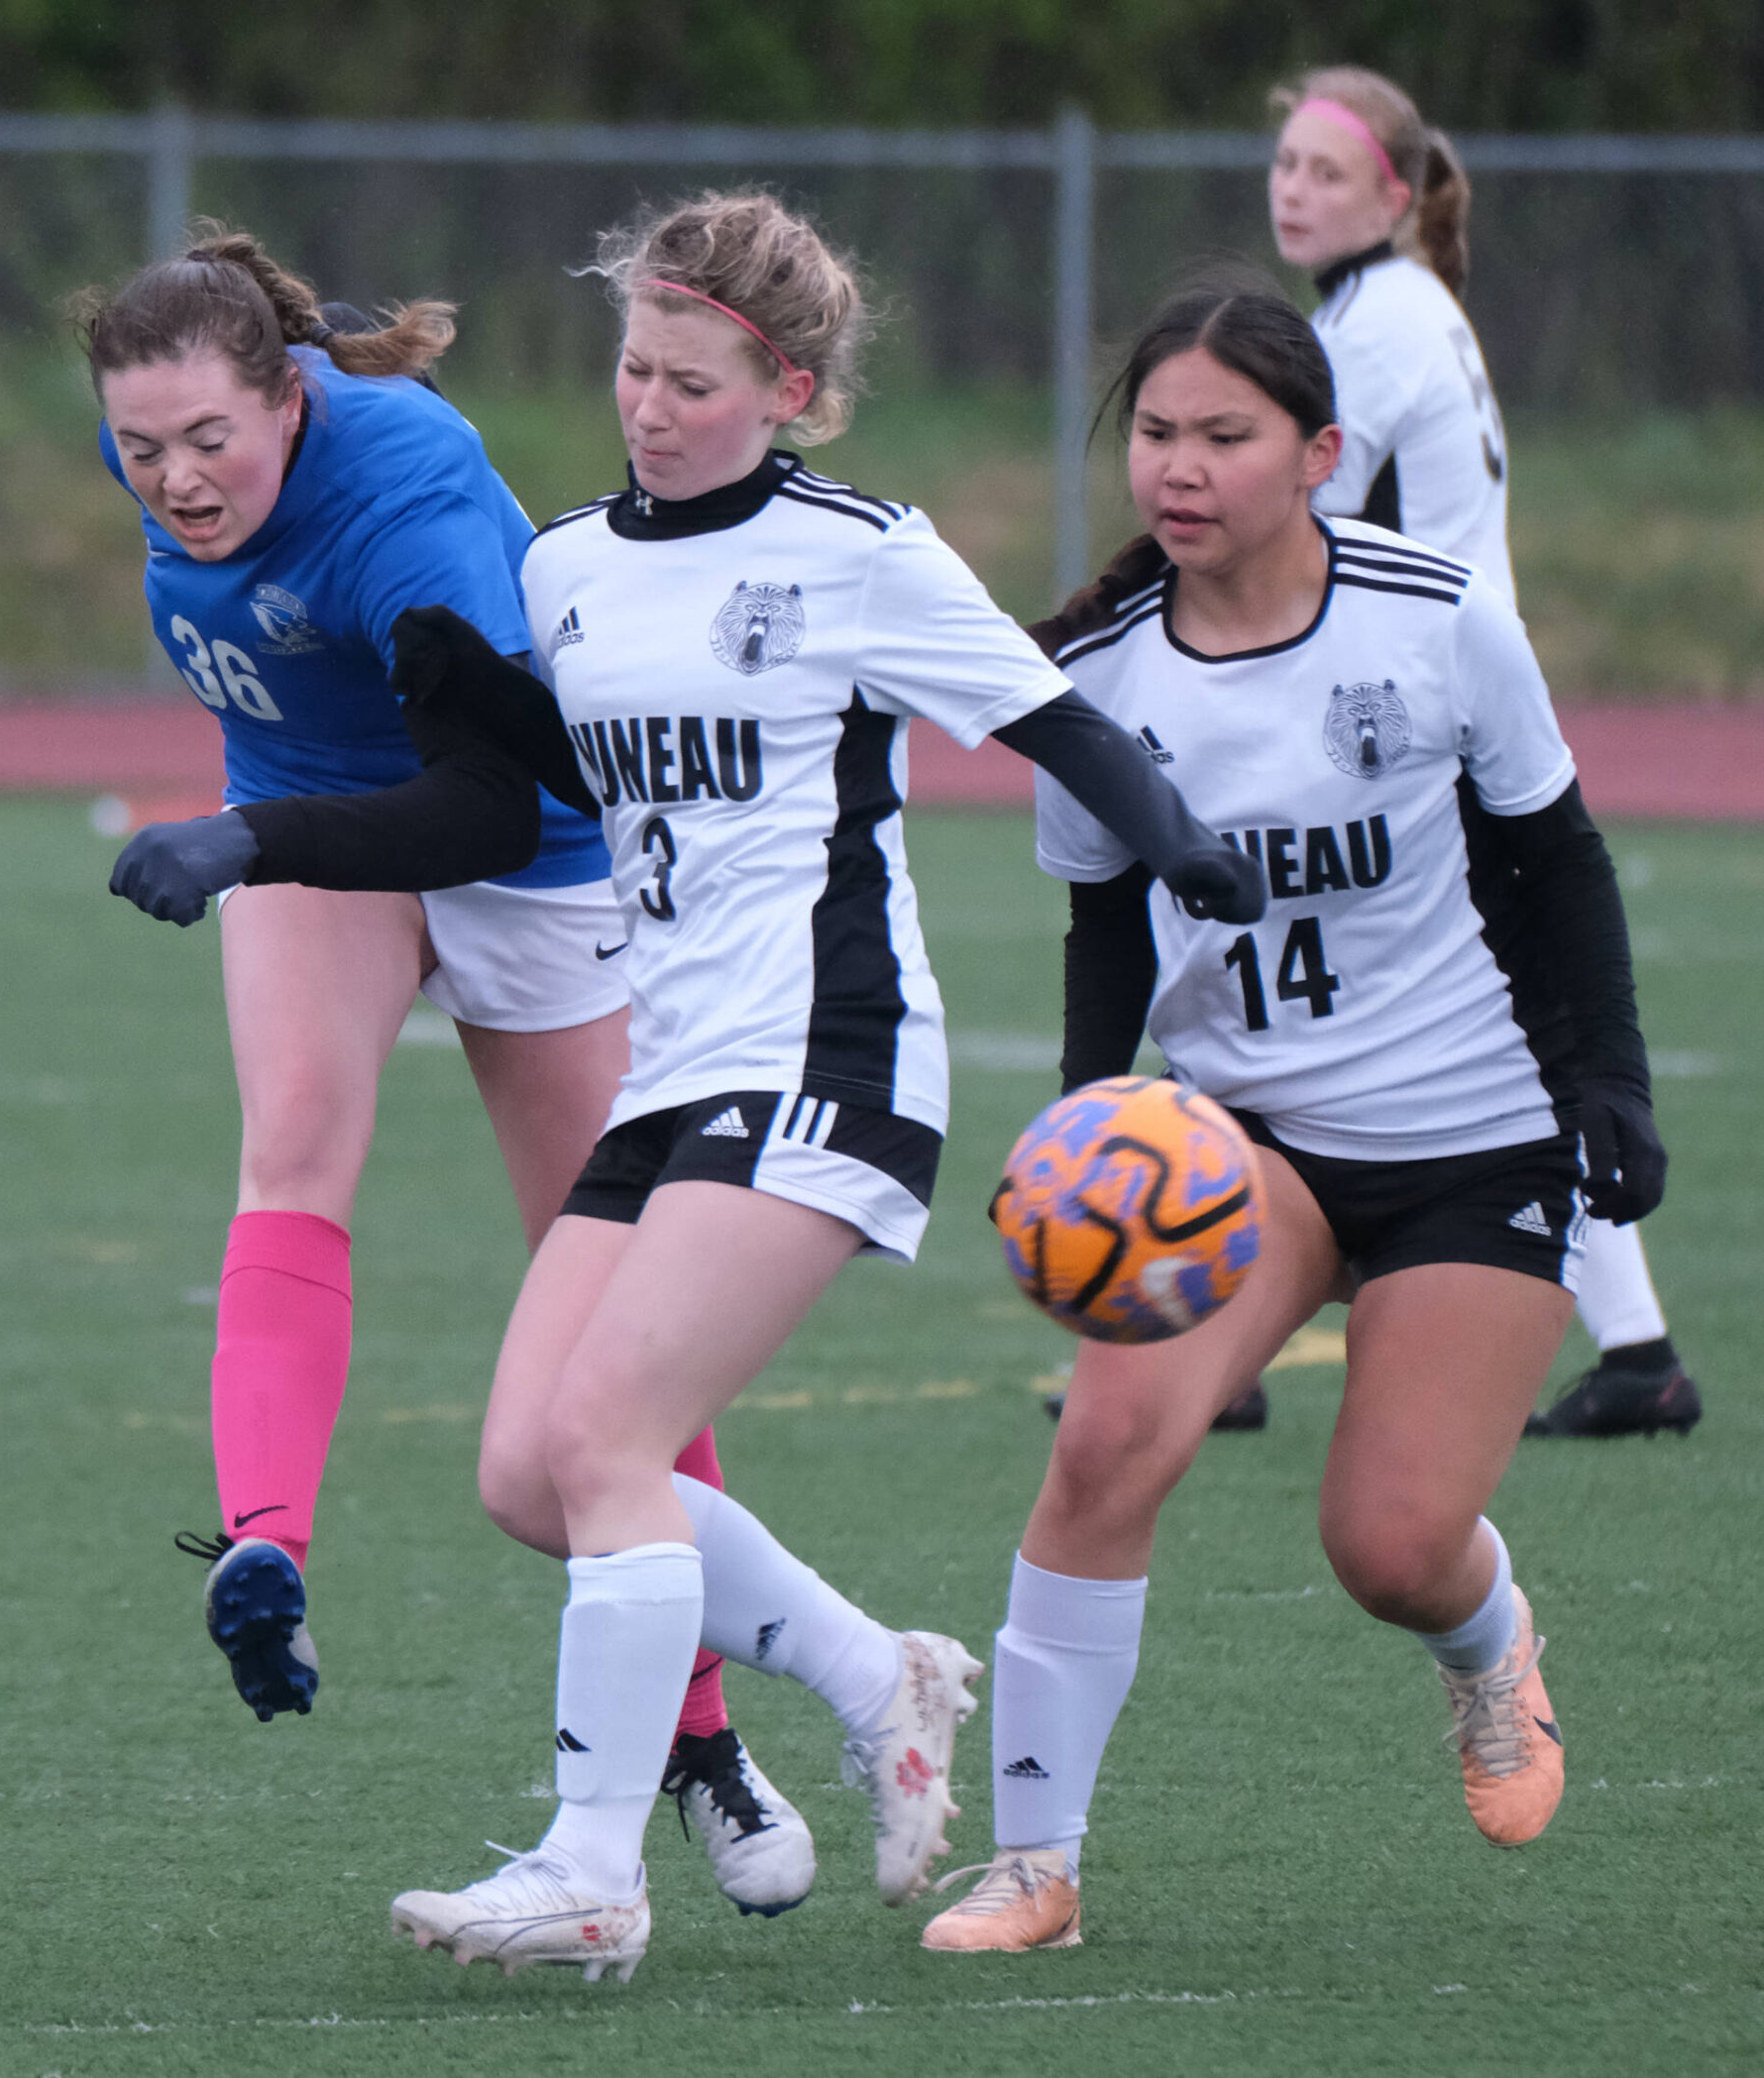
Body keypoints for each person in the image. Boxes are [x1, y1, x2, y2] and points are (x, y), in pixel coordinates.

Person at [110, 191, 1268, 1984]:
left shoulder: (861, 553)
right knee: (526, 1474)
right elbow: (498, 813)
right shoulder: (567, 564)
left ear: (788, 388)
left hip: (831, 1051)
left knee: (600, 1440)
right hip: (676, 1073)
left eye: (694, 379)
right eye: (635, 369)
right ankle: (872, 1669)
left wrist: (1186, 848)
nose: (650, 406)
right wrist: (291, 823)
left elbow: (1062, 727)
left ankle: (591, 1865)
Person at [919, 279, 1665, 1955]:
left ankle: (1492, 1651)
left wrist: (1606, 1075)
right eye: (1157, 435)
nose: (1179, 469)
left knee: (1390, 1546)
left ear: (1321, 453)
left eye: (1224, 436)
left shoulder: (1439, 613)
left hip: (1472, 1139)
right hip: (1238, 1141)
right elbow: (1104, 922)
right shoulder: (1090, 676)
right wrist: (1081, 1131)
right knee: (1107, 1441)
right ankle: (1034, 1866)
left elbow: (1559, 864)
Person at [83, 227, 818, 1917]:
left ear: (292, 401)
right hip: (310, 810)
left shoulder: (404, 485)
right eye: (141, 450)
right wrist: (271, 828)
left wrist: (249, 838)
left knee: (617, 1322)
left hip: (528, 839)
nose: (178, 480)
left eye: (211, 441)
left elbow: (486, 800)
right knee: (292, 1155)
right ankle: (264, 1546)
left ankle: (701, 1735)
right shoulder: (181, 416)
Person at [1268, 64, 1699, 1442]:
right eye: (1284, 165)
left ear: (1395, 194)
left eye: (1327, 172)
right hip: (1427, 696)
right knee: (1484, 1013)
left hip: (1412, 710)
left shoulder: (1379, 323)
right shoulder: (1393, 307)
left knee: (1297, 970)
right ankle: (1634, 1347)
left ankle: (1191, 1297)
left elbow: (1285, 501)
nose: (1295, 188)